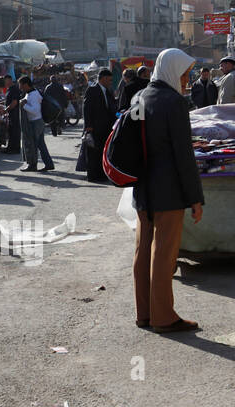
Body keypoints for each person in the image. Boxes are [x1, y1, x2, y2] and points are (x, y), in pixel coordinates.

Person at [131, 47, 203, 334]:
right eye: (184, 74)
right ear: (172, 70)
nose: (186, 80)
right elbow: (184, 156)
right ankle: (163, 317)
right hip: (168, 190)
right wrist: (195, 198)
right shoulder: (173, 103)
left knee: (142, 251)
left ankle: (144, 314)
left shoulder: (139, 97)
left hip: (142, 189)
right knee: (163, 254)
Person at [82, 68, 118, 183]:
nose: (110, 82)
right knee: (93, 152)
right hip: (94, 127)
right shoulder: (92, 90)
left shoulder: (108, 91)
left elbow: (112, 107)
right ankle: (92, 176)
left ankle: (102, 174)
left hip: (106, 127)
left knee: (102, 151)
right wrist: (88, 125)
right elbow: (86, 108)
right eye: (109, 80)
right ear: (103, 78)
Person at [17, 75, 55, 172]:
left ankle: (32, 165)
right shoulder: (31, 93)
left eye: (20, 85)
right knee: (40, 144)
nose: (20, 87)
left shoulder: (33, 94)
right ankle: (48, 164)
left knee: (34, 145)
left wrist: (24, 105)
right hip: (37, 121)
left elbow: (34, 110)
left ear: (26, 85)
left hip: (36, 122)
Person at [3, 76, 23, 153]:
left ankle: (15, 149)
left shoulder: (14, 89)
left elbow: (14, 102)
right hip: (11, 113)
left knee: (15, 131)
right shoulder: (9, 89)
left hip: (15, 113)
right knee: (11, 131)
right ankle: (10, 147)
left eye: (5, 80)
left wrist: (6, 110)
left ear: (10, 80)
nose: (4, 82)